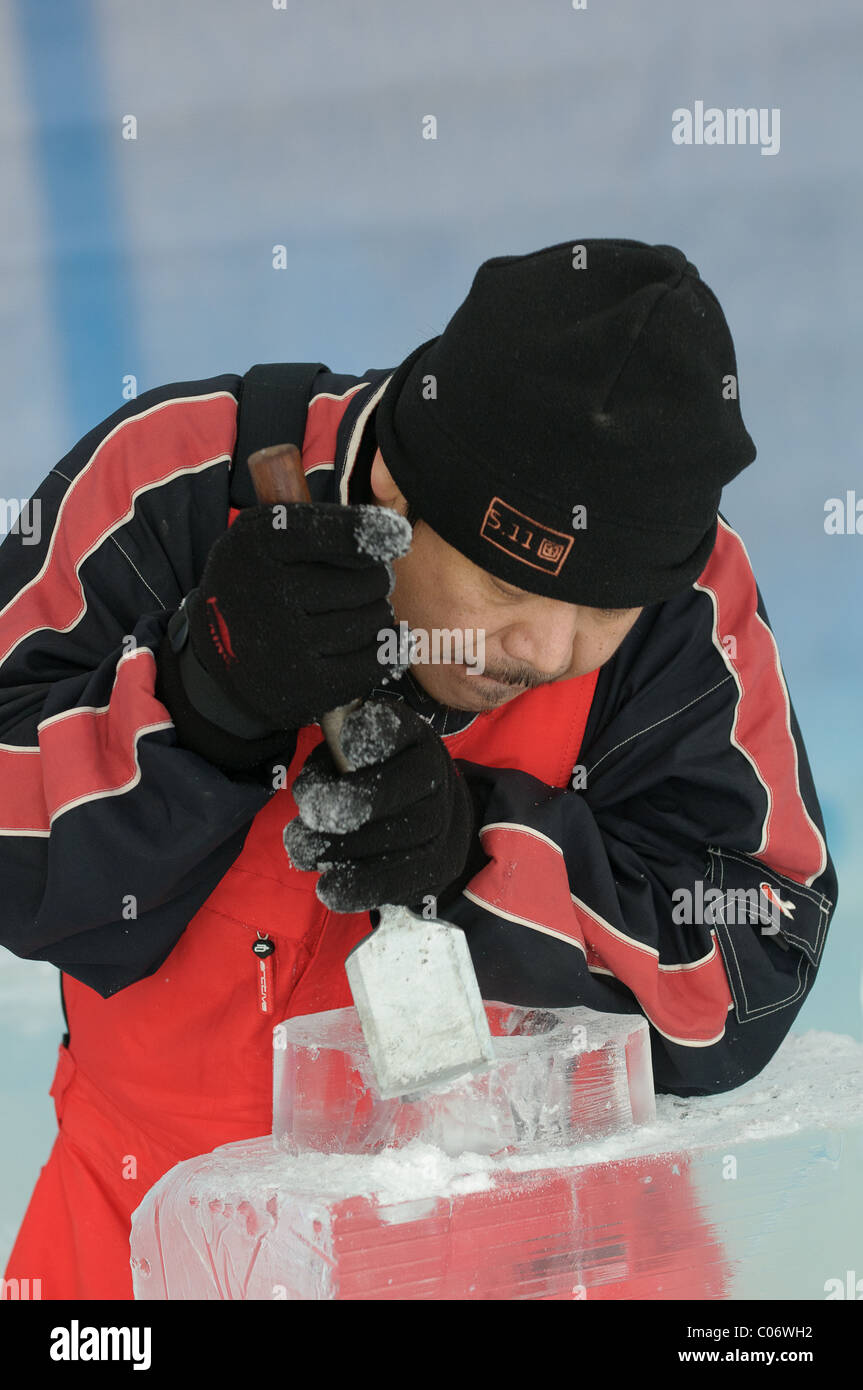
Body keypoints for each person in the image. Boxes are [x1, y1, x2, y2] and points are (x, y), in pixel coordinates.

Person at [1, 239, 836, 1299]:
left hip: (559, 1262)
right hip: (146, 1248)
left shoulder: (683, 596)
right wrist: (203, 697)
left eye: (601, 611)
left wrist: (482, 856)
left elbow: (754, 962)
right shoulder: (167, 484)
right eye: (507, 588)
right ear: (397, 489)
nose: (545, 649)